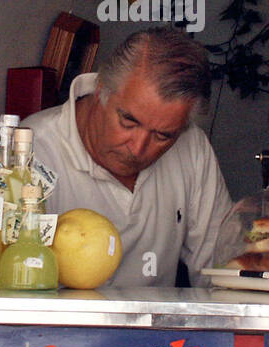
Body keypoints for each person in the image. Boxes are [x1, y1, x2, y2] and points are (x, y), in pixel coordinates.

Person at [24, 27, 233, 288]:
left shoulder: (192, 147)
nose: (138, 148)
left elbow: (220, 274)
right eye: (129, 121)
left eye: (162, 136)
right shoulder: (29, 151)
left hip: (156, 327)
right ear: (101, 89)